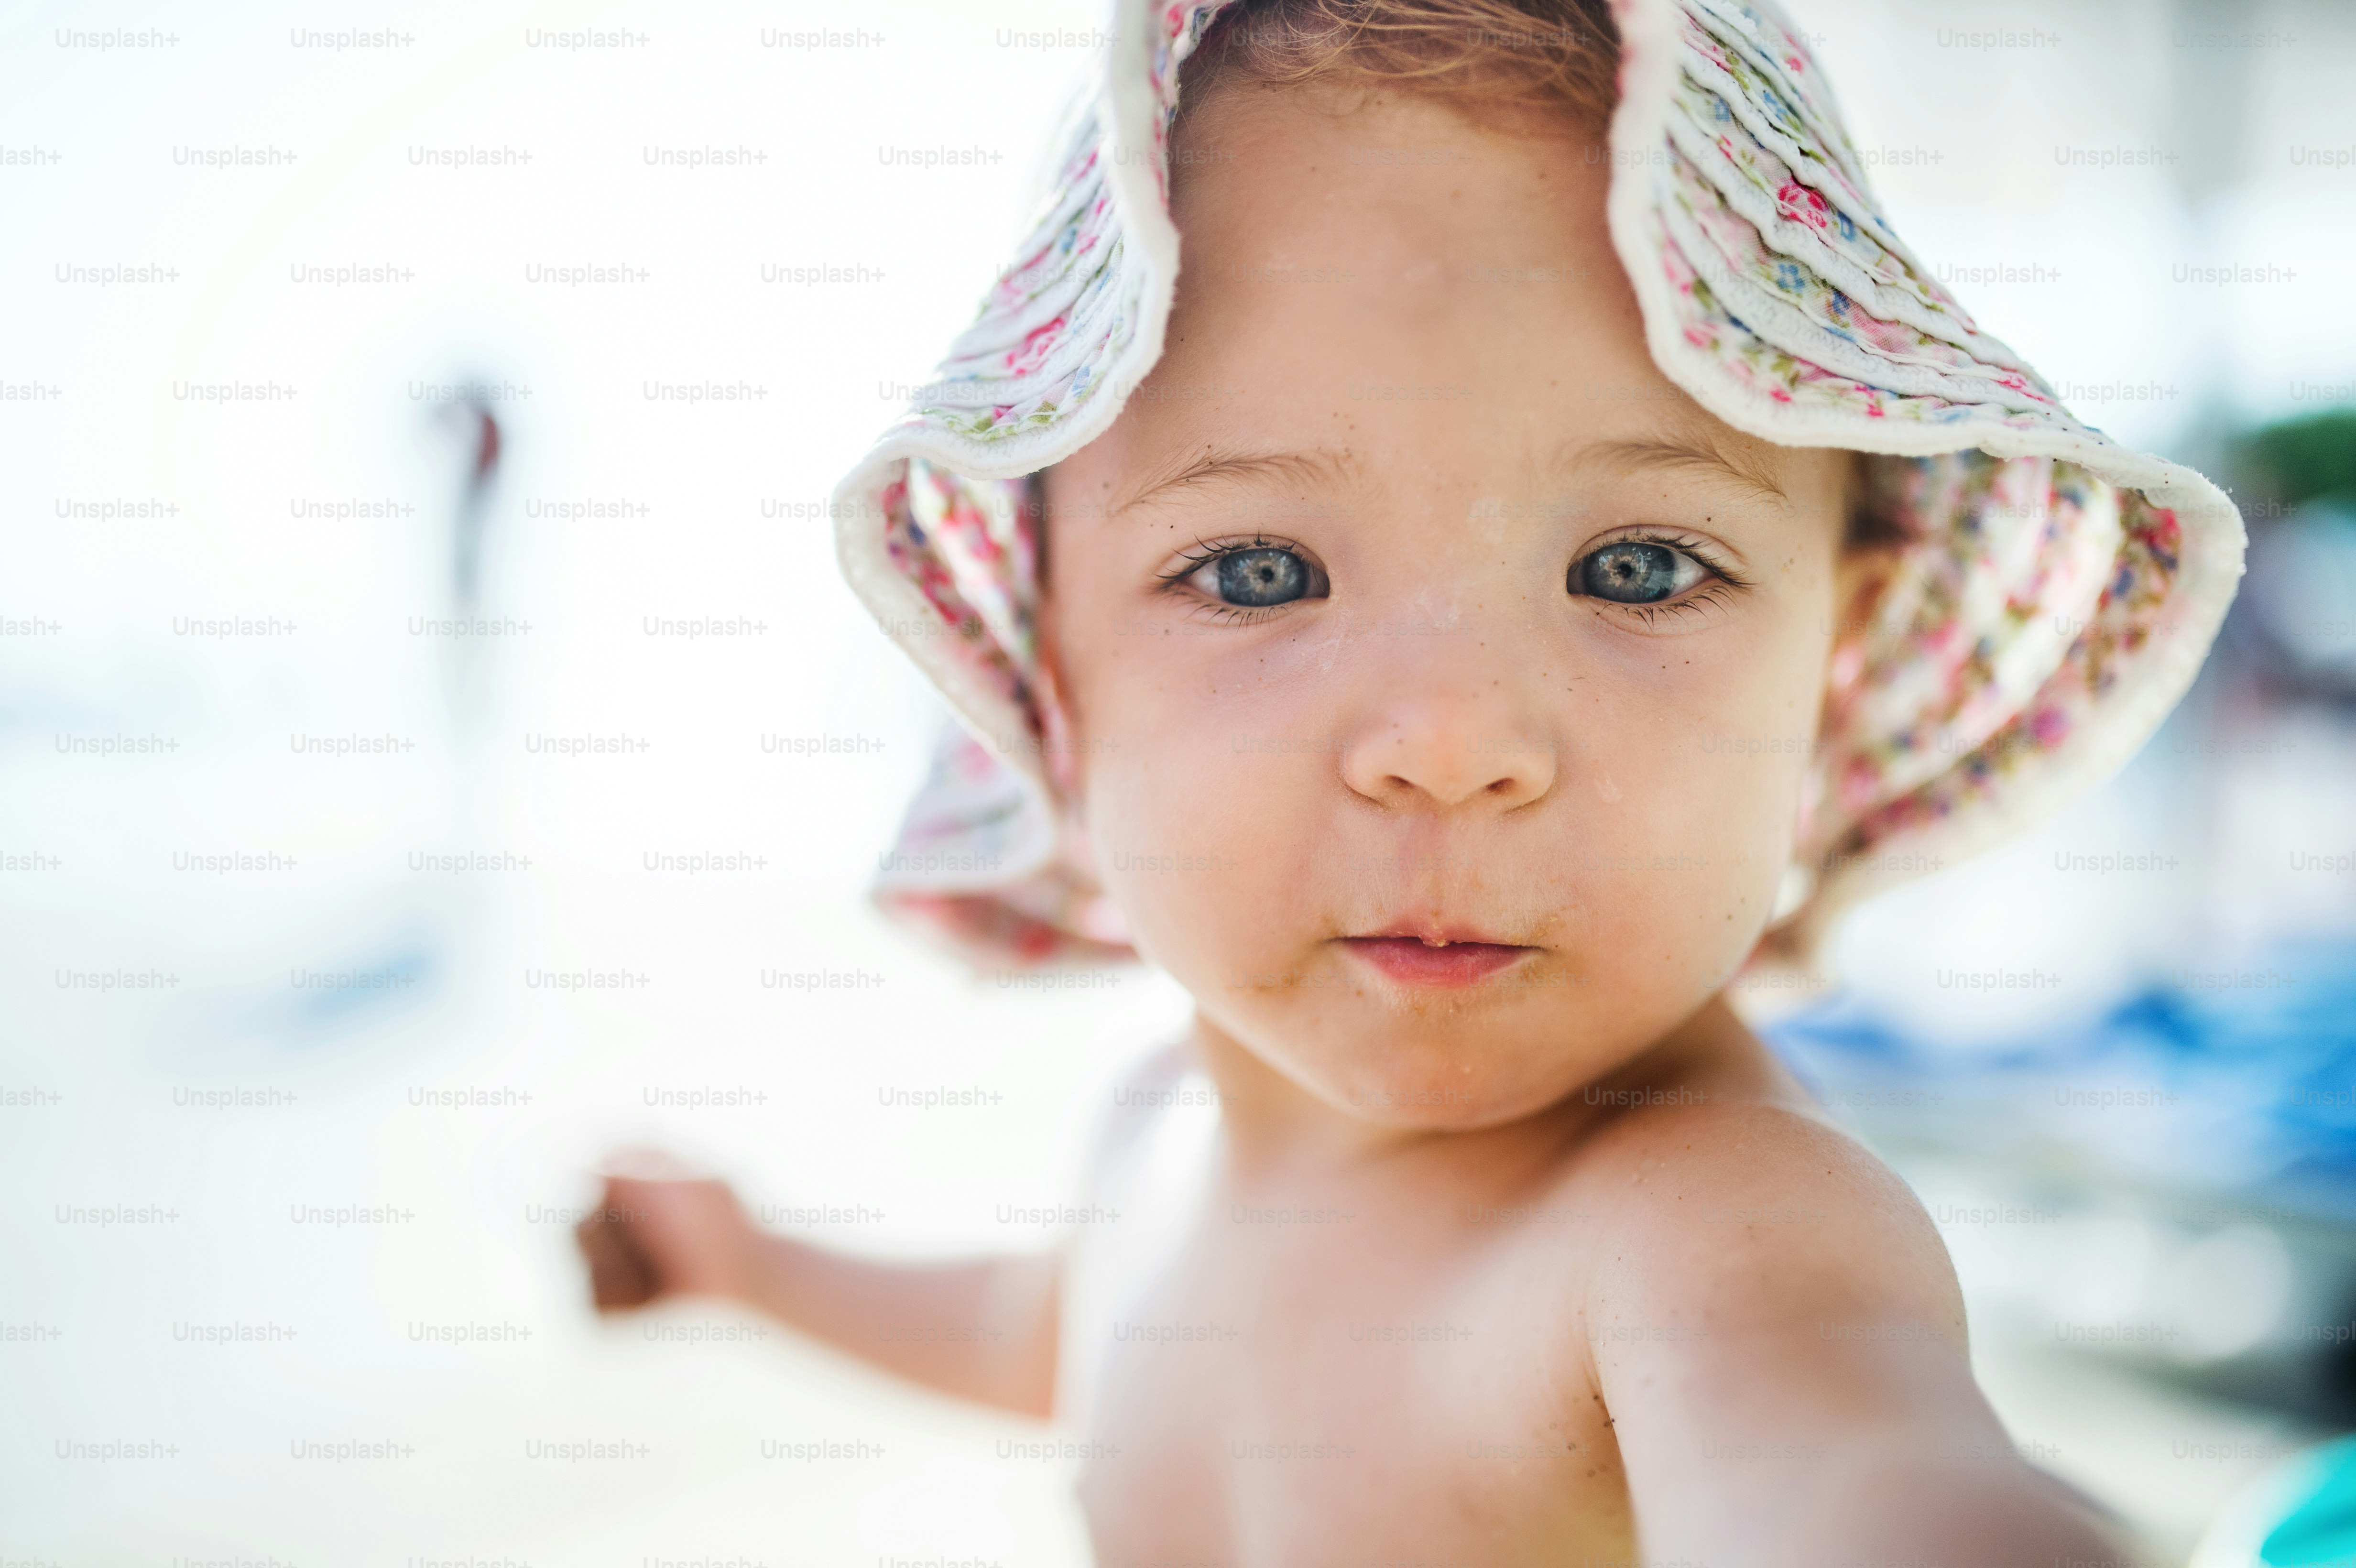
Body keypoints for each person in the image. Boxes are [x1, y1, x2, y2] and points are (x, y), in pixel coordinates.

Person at [577, 2, 2245, 1562]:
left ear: (1839, 657)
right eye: (1253, 575)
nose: (1450, 743)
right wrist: (754, 1265)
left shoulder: (1708, 1231)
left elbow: (1851, 1462)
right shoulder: (1167, 1125)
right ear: (1046, 659)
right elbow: (1058, 1333)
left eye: (1643, 568)